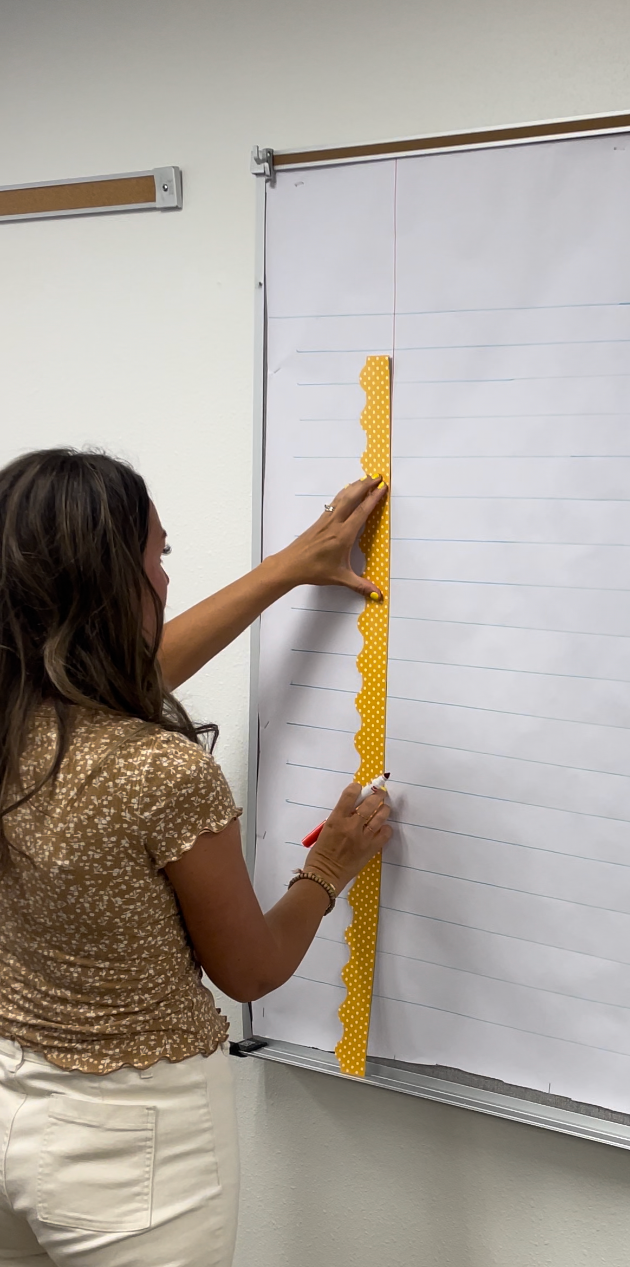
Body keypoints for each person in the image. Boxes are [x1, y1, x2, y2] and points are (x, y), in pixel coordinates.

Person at [0, 448, 393, 1267]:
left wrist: (288, 567)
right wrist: (329, 870)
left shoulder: (15, 720)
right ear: (115, 583)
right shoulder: (158, 769)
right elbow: (250, 971)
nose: (166, 577)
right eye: (160, 556)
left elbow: (118, 679)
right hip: (134, 1152)